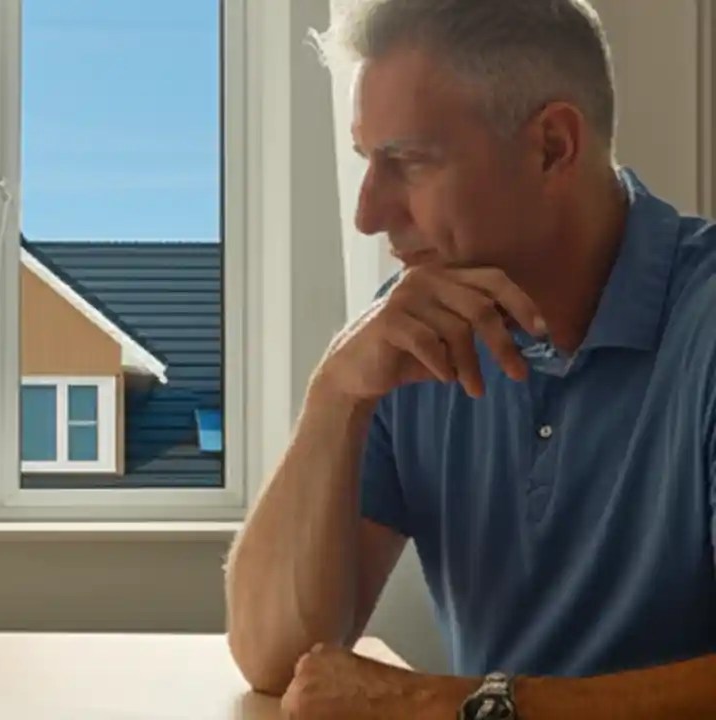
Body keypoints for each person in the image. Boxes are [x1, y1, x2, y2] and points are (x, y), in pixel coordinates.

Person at [225, 0, 716, 717]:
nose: (368, 213)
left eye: (409, 162)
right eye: (367, 161)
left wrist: (469, 706)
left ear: (552, 145)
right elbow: (274, 657)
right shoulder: (413, 330)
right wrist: (335, 396)